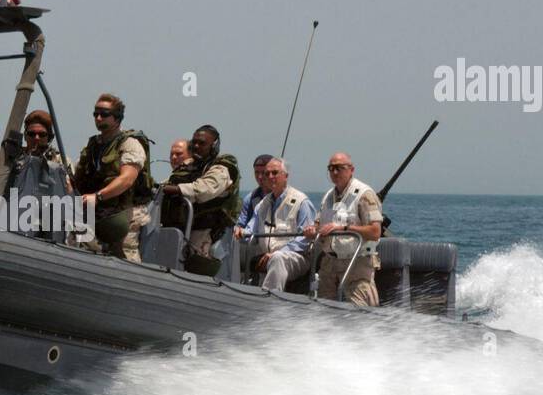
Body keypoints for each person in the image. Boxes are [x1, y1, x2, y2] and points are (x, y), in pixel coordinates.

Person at [72, 94, 154, 260]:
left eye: (104, 113)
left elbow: (127, 179)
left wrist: (98, 196)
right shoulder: (93, 146)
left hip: (123, 215)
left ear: (117, 118)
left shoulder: (129, 144)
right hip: (95, 212)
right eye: (95, 114)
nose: (98, 117)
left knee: (126, 256)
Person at [302, 151, 383, 306]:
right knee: (323, 309)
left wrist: (344, 228)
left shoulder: (364, 195)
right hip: (329, 263)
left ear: (351, 169)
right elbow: (319, 224)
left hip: (356, 263)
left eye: (339, 168)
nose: (334, 172)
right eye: (331, 168)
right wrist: (313, 230)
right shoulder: (327, 197)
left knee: (360, 311)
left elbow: (375, 232)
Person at [160, 125, 240, 276]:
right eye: (194, 142)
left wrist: (176, 190)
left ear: (214, 145)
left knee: (194, 269)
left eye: (202, 143)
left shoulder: (222, 168)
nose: (196, 146)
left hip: (204, 230)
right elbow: (167, 183)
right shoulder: (189, 167)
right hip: (177, 229)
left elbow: (204, 189)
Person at [251, 158, 315, 291]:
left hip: (297, 257)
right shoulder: (262, 205)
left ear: (285, 176)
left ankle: (269, 299)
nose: (270, 177)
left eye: (275, 173)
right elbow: (251, 229)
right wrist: (240, 231)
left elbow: (305, 239)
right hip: (268, 255)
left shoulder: (301, 202)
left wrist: (278, 252)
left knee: (278, 258)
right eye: (267, 174)